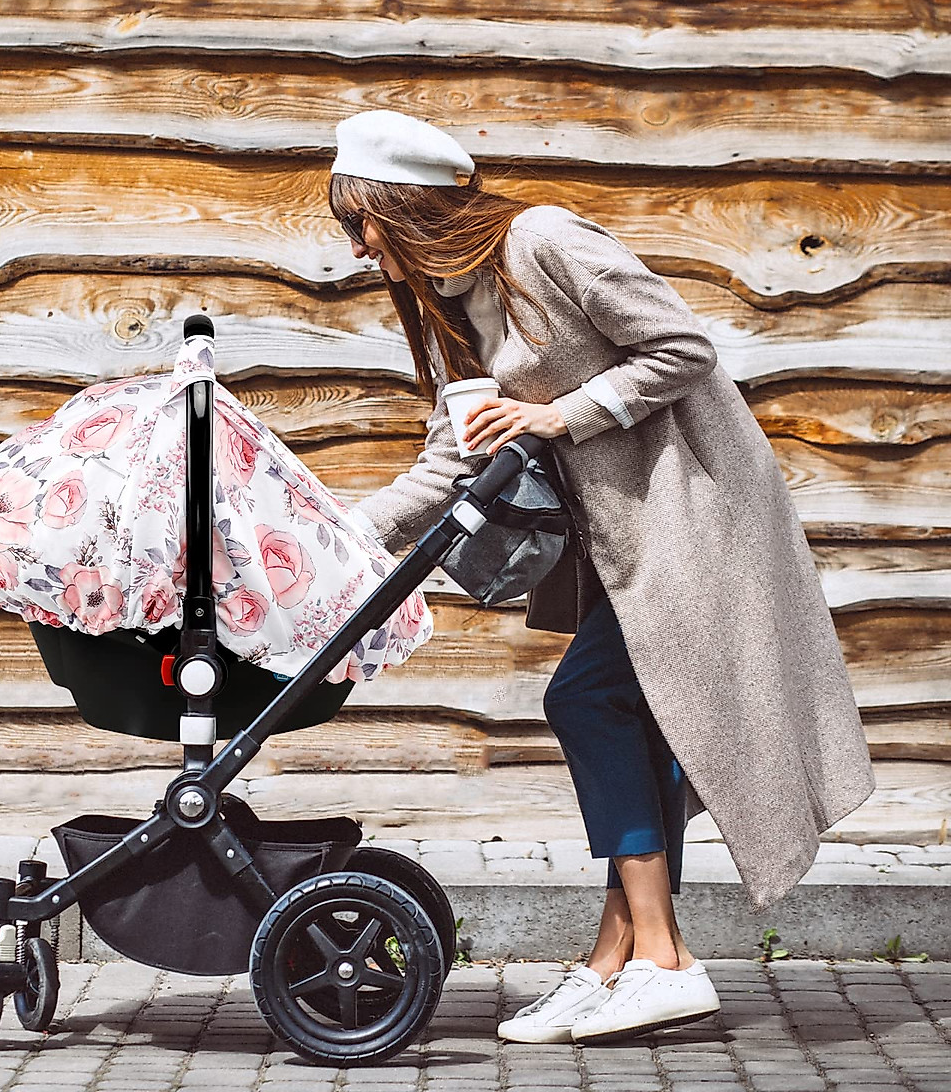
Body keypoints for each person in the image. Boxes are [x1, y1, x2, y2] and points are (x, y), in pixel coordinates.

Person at [330, 109, 875, 1045]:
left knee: (586, 699)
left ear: (403, 204)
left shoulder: (542, 240)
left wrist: (562, 416)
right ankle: (614, 962)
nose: (357, 248)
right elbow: (450, 461)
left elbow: (683, 348)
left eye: (360, 223)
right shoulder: (452, 308)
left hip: (694, 519)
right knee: (642, 721)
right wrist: (333, 535)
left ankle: (662, 961)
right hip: (628, 549)